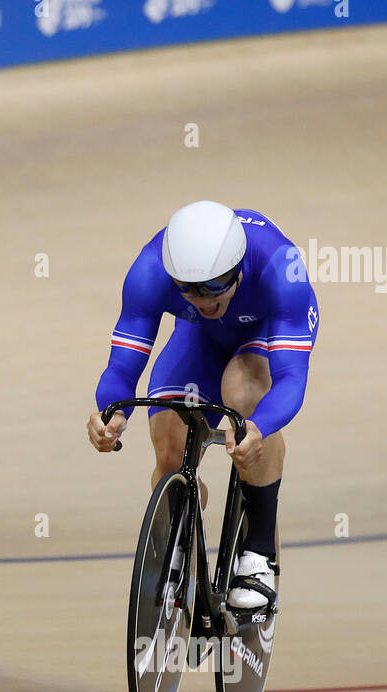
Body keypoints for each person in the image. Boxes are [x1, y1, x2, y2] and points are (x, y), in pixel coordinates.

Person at [87, 201, 319, 608]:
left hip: (261, 334)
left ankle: (260, 551)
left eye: (216, 286)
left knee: (244, 393)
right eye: (190, 290)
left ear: (239, 268)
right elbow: (123, 364)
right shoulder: (150, 269)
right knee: (170, 450)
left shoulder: (280, 269)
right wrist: (113, 411)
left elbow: (291, 378)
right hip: (199, 340)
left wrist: (259, 426)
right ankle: (181, 549)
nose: (204, 299)